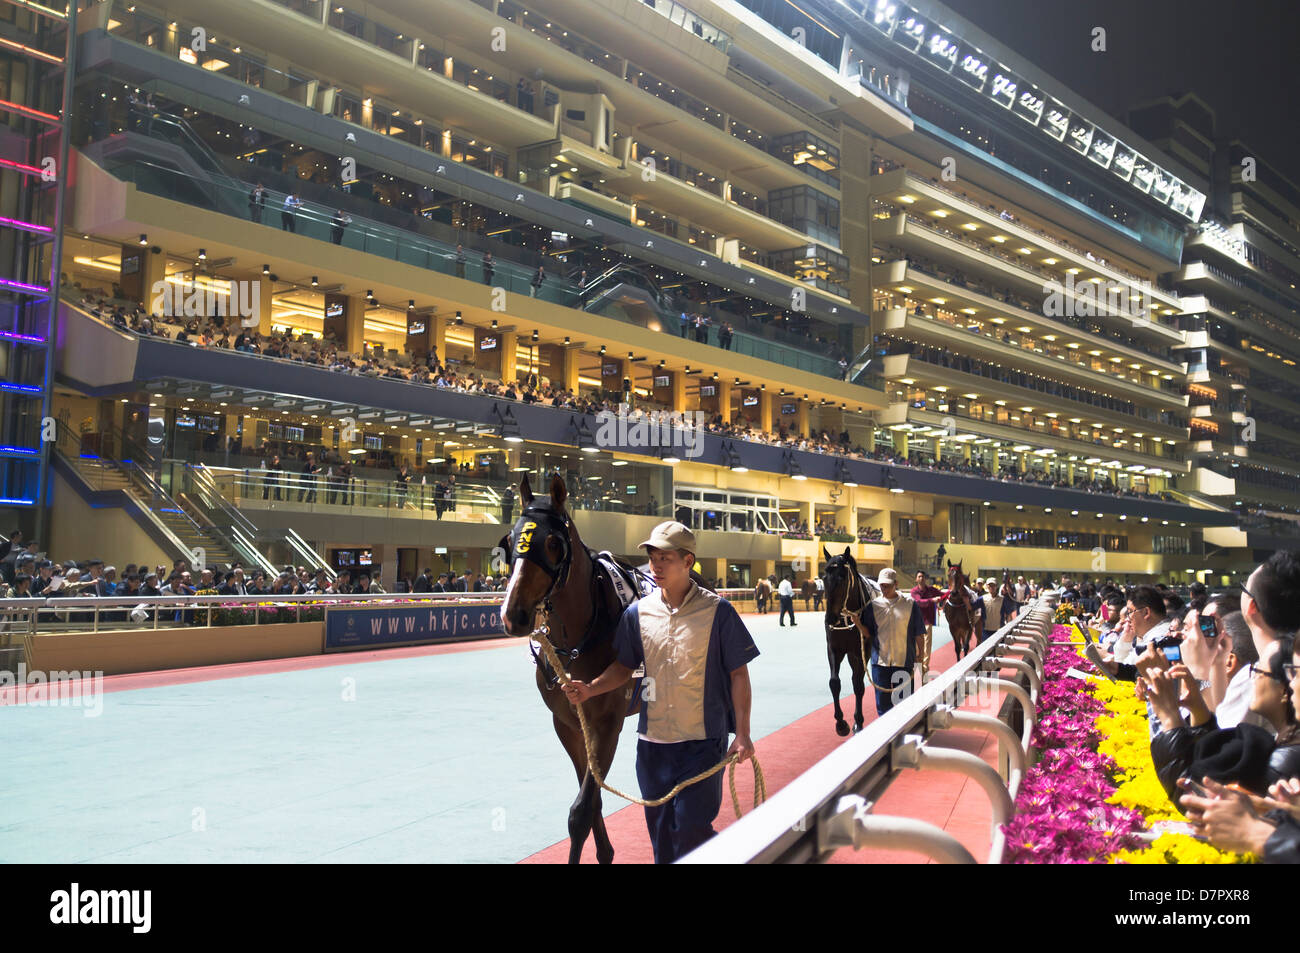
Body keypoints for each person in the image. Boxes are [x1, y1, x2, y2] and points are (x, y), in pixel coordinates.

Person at [561, 521, 758, 864]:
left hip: (702, 746)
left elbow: (738, 674)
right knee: (663, 842)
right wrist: (589, 689)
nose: (656, 565)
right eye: (653, 557)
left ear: (688, 562)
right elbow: (623, 668)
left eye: (666, 557)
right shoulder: (636, 614)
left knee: (692, 831)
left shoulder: (718, 612)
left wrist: (742, 733)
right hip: (652, 751)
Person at [851, 568, 924, 715]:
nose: (884, 589)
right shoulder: (873, 606)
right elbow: (868, 634)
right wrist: (858, 623)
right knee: (883, 707)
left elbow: (919, 633)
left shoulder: (910, 604)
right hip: (880, 664)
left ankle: (903, 733)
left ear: (896, 583)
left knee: (905, 705)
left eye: (887, 585)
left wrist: (920, 655)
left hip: (904, 662)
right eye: (882, 585)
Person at [910, 570, 943, 679]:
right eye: (919, 576)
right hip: (916, 623)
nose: (921, 578)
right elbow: (919, 602)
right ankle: (917, 668)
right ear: (916, 579)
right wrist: (932, 600)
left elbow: (943, 595)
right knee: (917, 647)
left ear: (926, 579)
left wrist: (951, 593)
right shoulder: (914, 592)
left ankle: (925, 668)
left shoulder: (931, 590)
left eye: (923, 576)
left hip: (928, 622)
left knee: (927, 647)